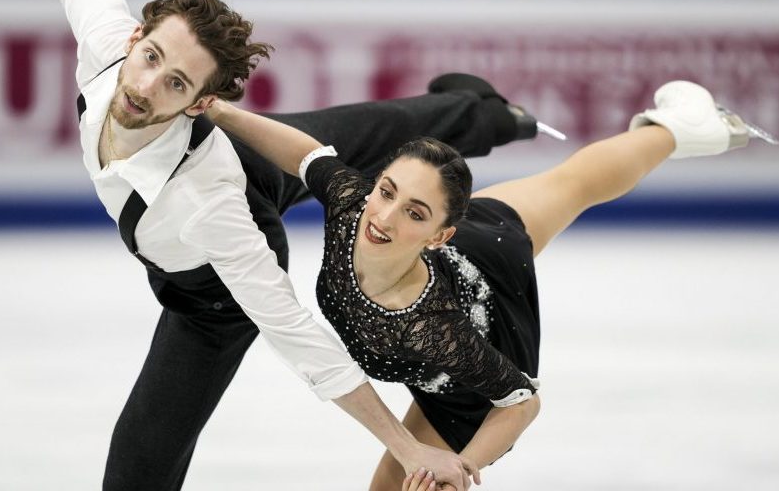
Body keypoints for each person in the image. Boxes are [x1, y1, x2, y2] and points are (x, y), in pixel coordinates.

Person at [0, 0, 562, 490]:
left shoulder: (209, 208)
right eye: (152, 58)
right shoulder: (109, 54)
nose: (144, 86)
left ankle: (496, 116)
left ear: (200, 104)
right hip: (219, 164)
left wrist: (406, 447)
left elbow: (295, 331)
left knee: (137, 464)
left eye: (177, 83)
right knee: (347, 135)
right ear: (135, 40)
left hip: (211, 295)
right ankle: (481, 113)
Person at [205, 79, 775, 489]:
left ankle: (675, 133)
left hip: (471, 342)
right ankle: (681, 129)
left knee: (404, 485)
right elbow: (308, 153)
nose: (385, 217)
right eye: (387, 191)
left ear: (438, 233)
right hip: (466, 252)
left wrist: (465, 466)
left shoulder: (435, 331)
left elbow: (521, 402)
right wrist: (222, 111)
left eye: (414, 211)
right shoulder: (356, 205)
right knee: (571, 182)